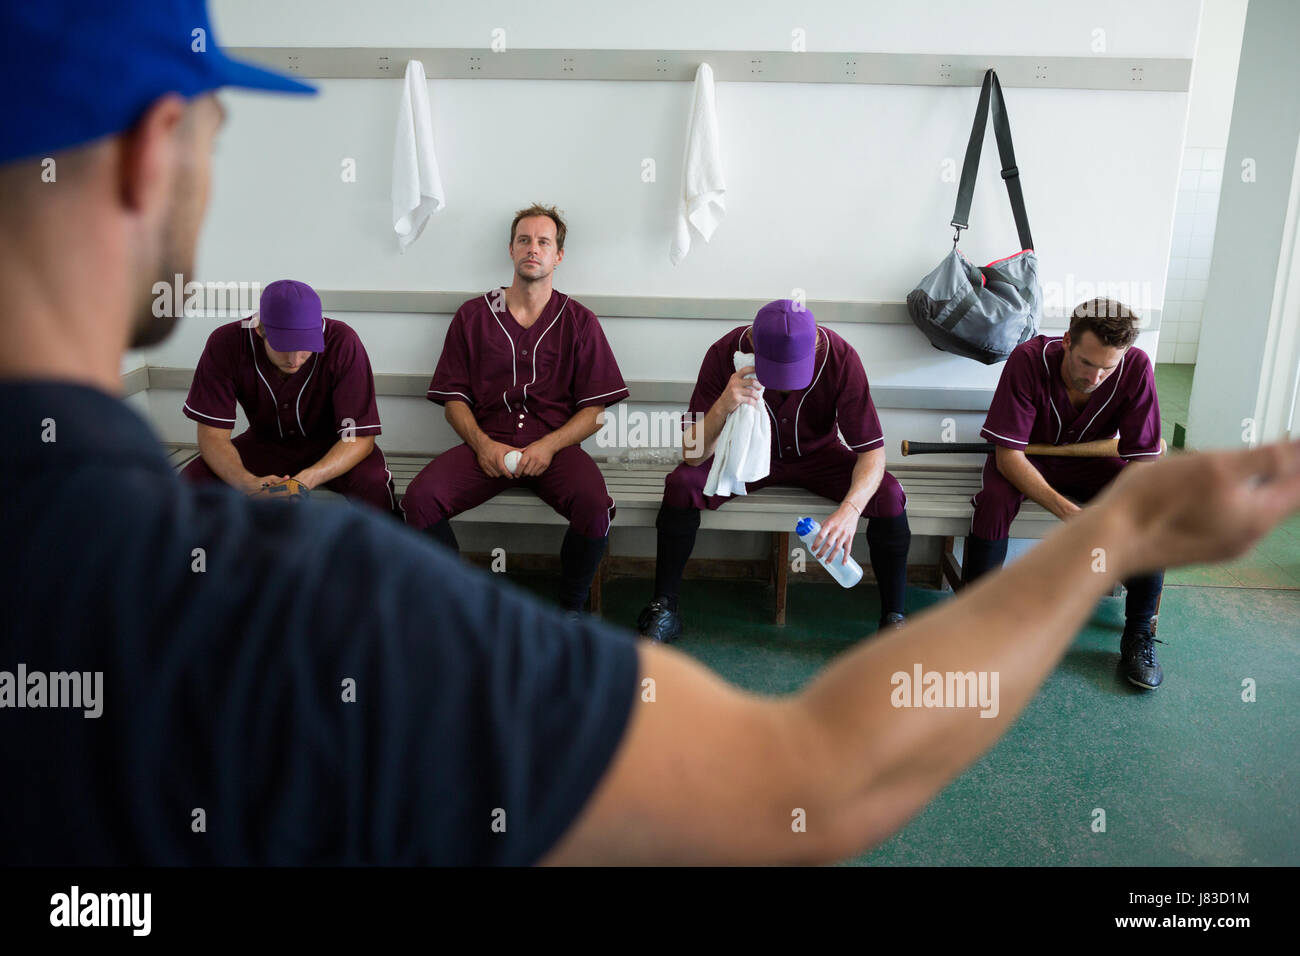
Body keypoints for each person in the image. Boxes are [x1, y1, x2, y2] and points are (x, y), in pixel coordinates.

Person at [3, 1, 1299, 866]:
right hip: (448, 514)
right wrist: (1126, 530)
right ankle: (633, 610)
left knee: (647, 500)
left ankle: (624, 618)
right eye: (218, 132)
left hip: (604, 463)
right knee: (622, 499)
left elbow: (741, 433)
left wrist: (840, 499)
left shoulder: (816, 361)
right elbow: (811, 781)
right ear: (151, 147)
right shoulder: (299, 612)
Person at [636, 301, 912, 643]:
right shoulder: (725, 353)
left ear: (814, 346)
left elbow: (872, 453)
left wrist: (850, 510)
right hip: (746, 455)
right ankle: (664, 606)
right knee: (681, 484)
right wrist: (724, 403)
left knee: (887, 493)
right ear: (753, 344)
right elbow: (692, 455)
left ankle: (894, 617)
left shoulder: (839, 356)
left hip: (819, 457)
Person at [401, 204, 628, 613]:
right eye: (524, 240)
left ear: (558, 255)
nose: (533, 248)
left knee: (595, 507)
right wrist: (482, 444)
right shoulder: (474, 314)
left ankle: (570, 610)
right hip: (485, 446)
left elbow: (595, 410)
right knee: (419, 499)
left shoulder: (579, 320)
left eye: (544, 241)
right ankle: (458, 600)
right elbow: (453, 400)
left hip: (553, 451)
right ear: (510, 249)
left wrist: (549, 447)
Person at [961, 300, 1167, 689]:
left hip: (1093, 464)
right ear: (1068, 340)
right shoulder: (1027, 360)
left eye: (1108, 367)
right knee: (994, 502)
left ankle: (1138, 634)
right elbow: (1008, 459)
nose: (1096, 377)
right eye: (1087, 363)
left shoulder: (1136, 367)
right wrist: (1072, 516)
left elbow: (1142, 461)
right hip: (1026, 461)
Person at [180, 278, 400, 515]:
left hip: (334, 445)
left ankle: (384, 552)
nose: (294, 359)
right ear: (259, 329)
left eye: (305, 345)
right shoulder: (226, 343)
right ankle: (206, 552)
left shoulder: (342, 341)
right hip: (264, 443)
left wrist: (305, 481)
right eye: (283, 346)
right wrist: (246, 483)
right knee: (193, 480)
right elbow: (213, 437)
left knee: (374, 481)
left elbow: (358, 437)